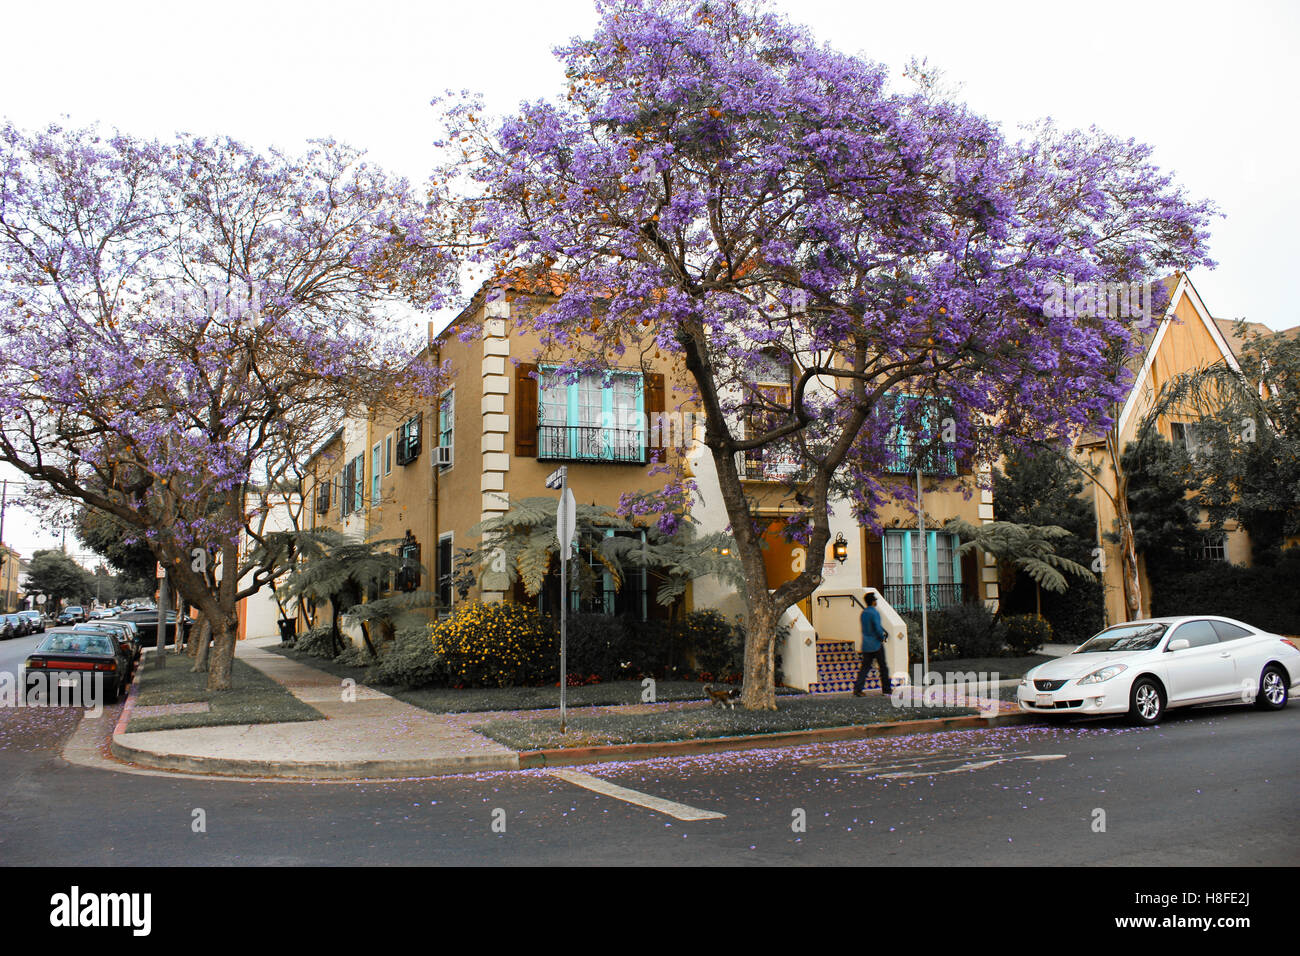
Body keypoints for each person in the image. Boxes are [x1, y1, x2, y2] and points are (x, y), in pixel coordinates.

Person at [853, 593, 891, 697]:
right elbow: (877, 628)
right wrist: (882, 637)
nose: (876, 601)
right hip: (876, 644)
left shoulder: (863, 613)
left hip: (866, 644)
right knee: (883, 667)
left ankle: (858, 689)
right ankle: (887, 689)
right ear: (873, 601)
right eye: (875, 600)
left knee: (865, 668)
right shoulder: (874, 613)